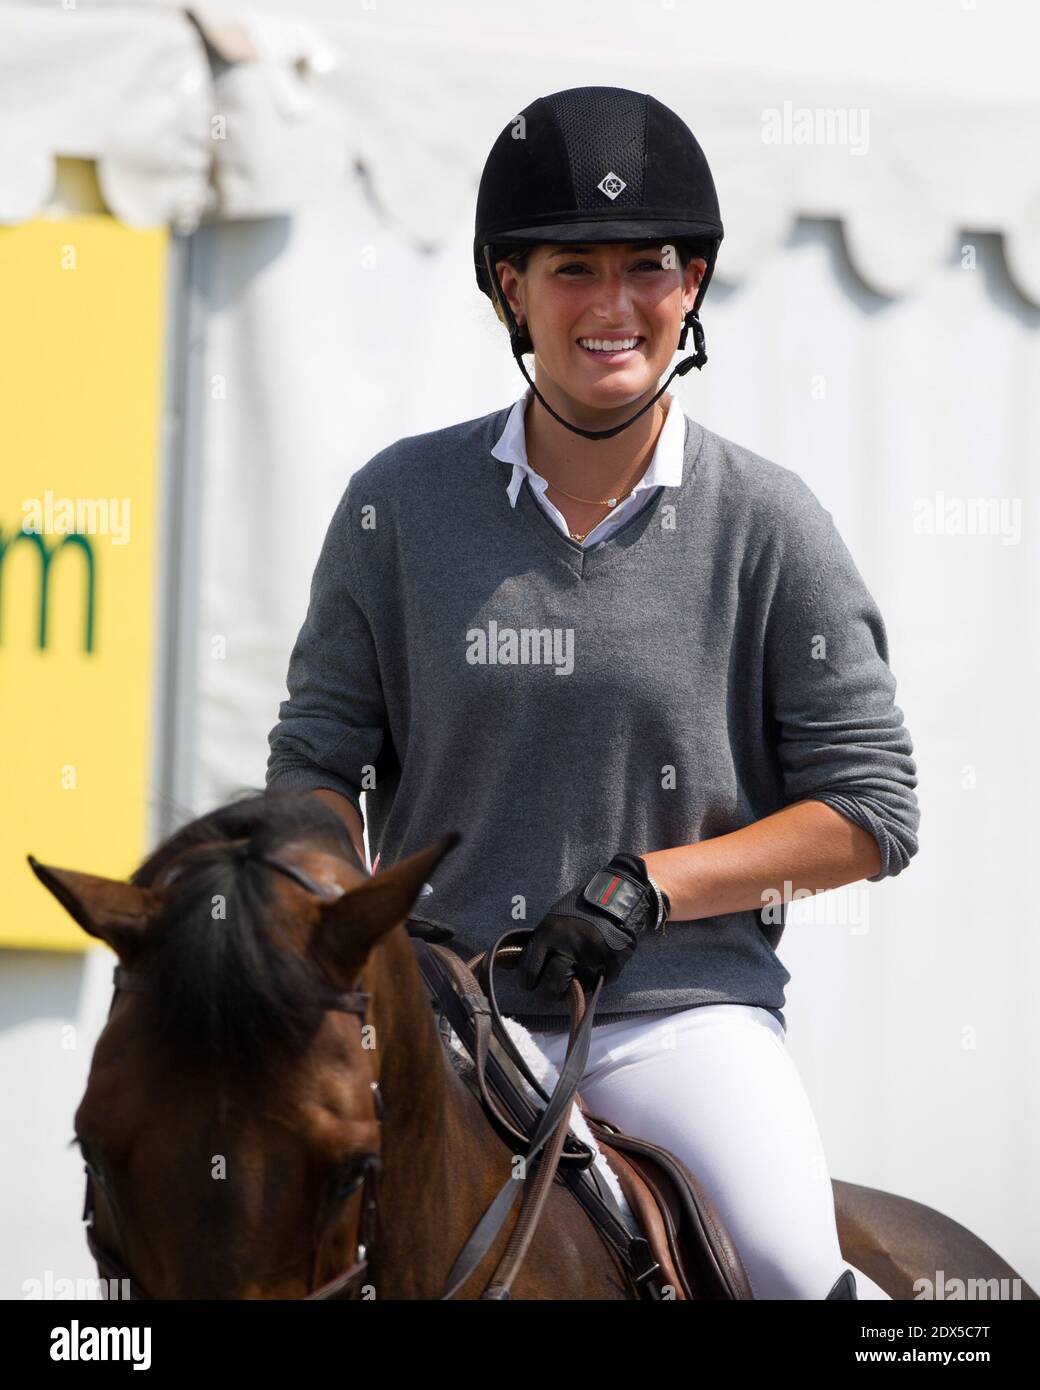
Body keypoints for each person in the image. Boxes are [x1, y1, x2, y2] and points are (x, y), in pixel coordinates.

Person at [266, 85, 920, 1300]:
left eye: (647, 267)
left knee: (787, 1269)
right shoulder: (395, 506)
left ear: (692, 287)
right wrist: (341, 938)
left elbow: (869, 814)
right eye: (572, 267)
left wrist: (650, 886)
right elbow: (314, 760)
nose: (612, 306)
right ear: (509, 287)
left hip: (677, 1018)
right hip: (439, 1024)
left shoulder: (768, 525)